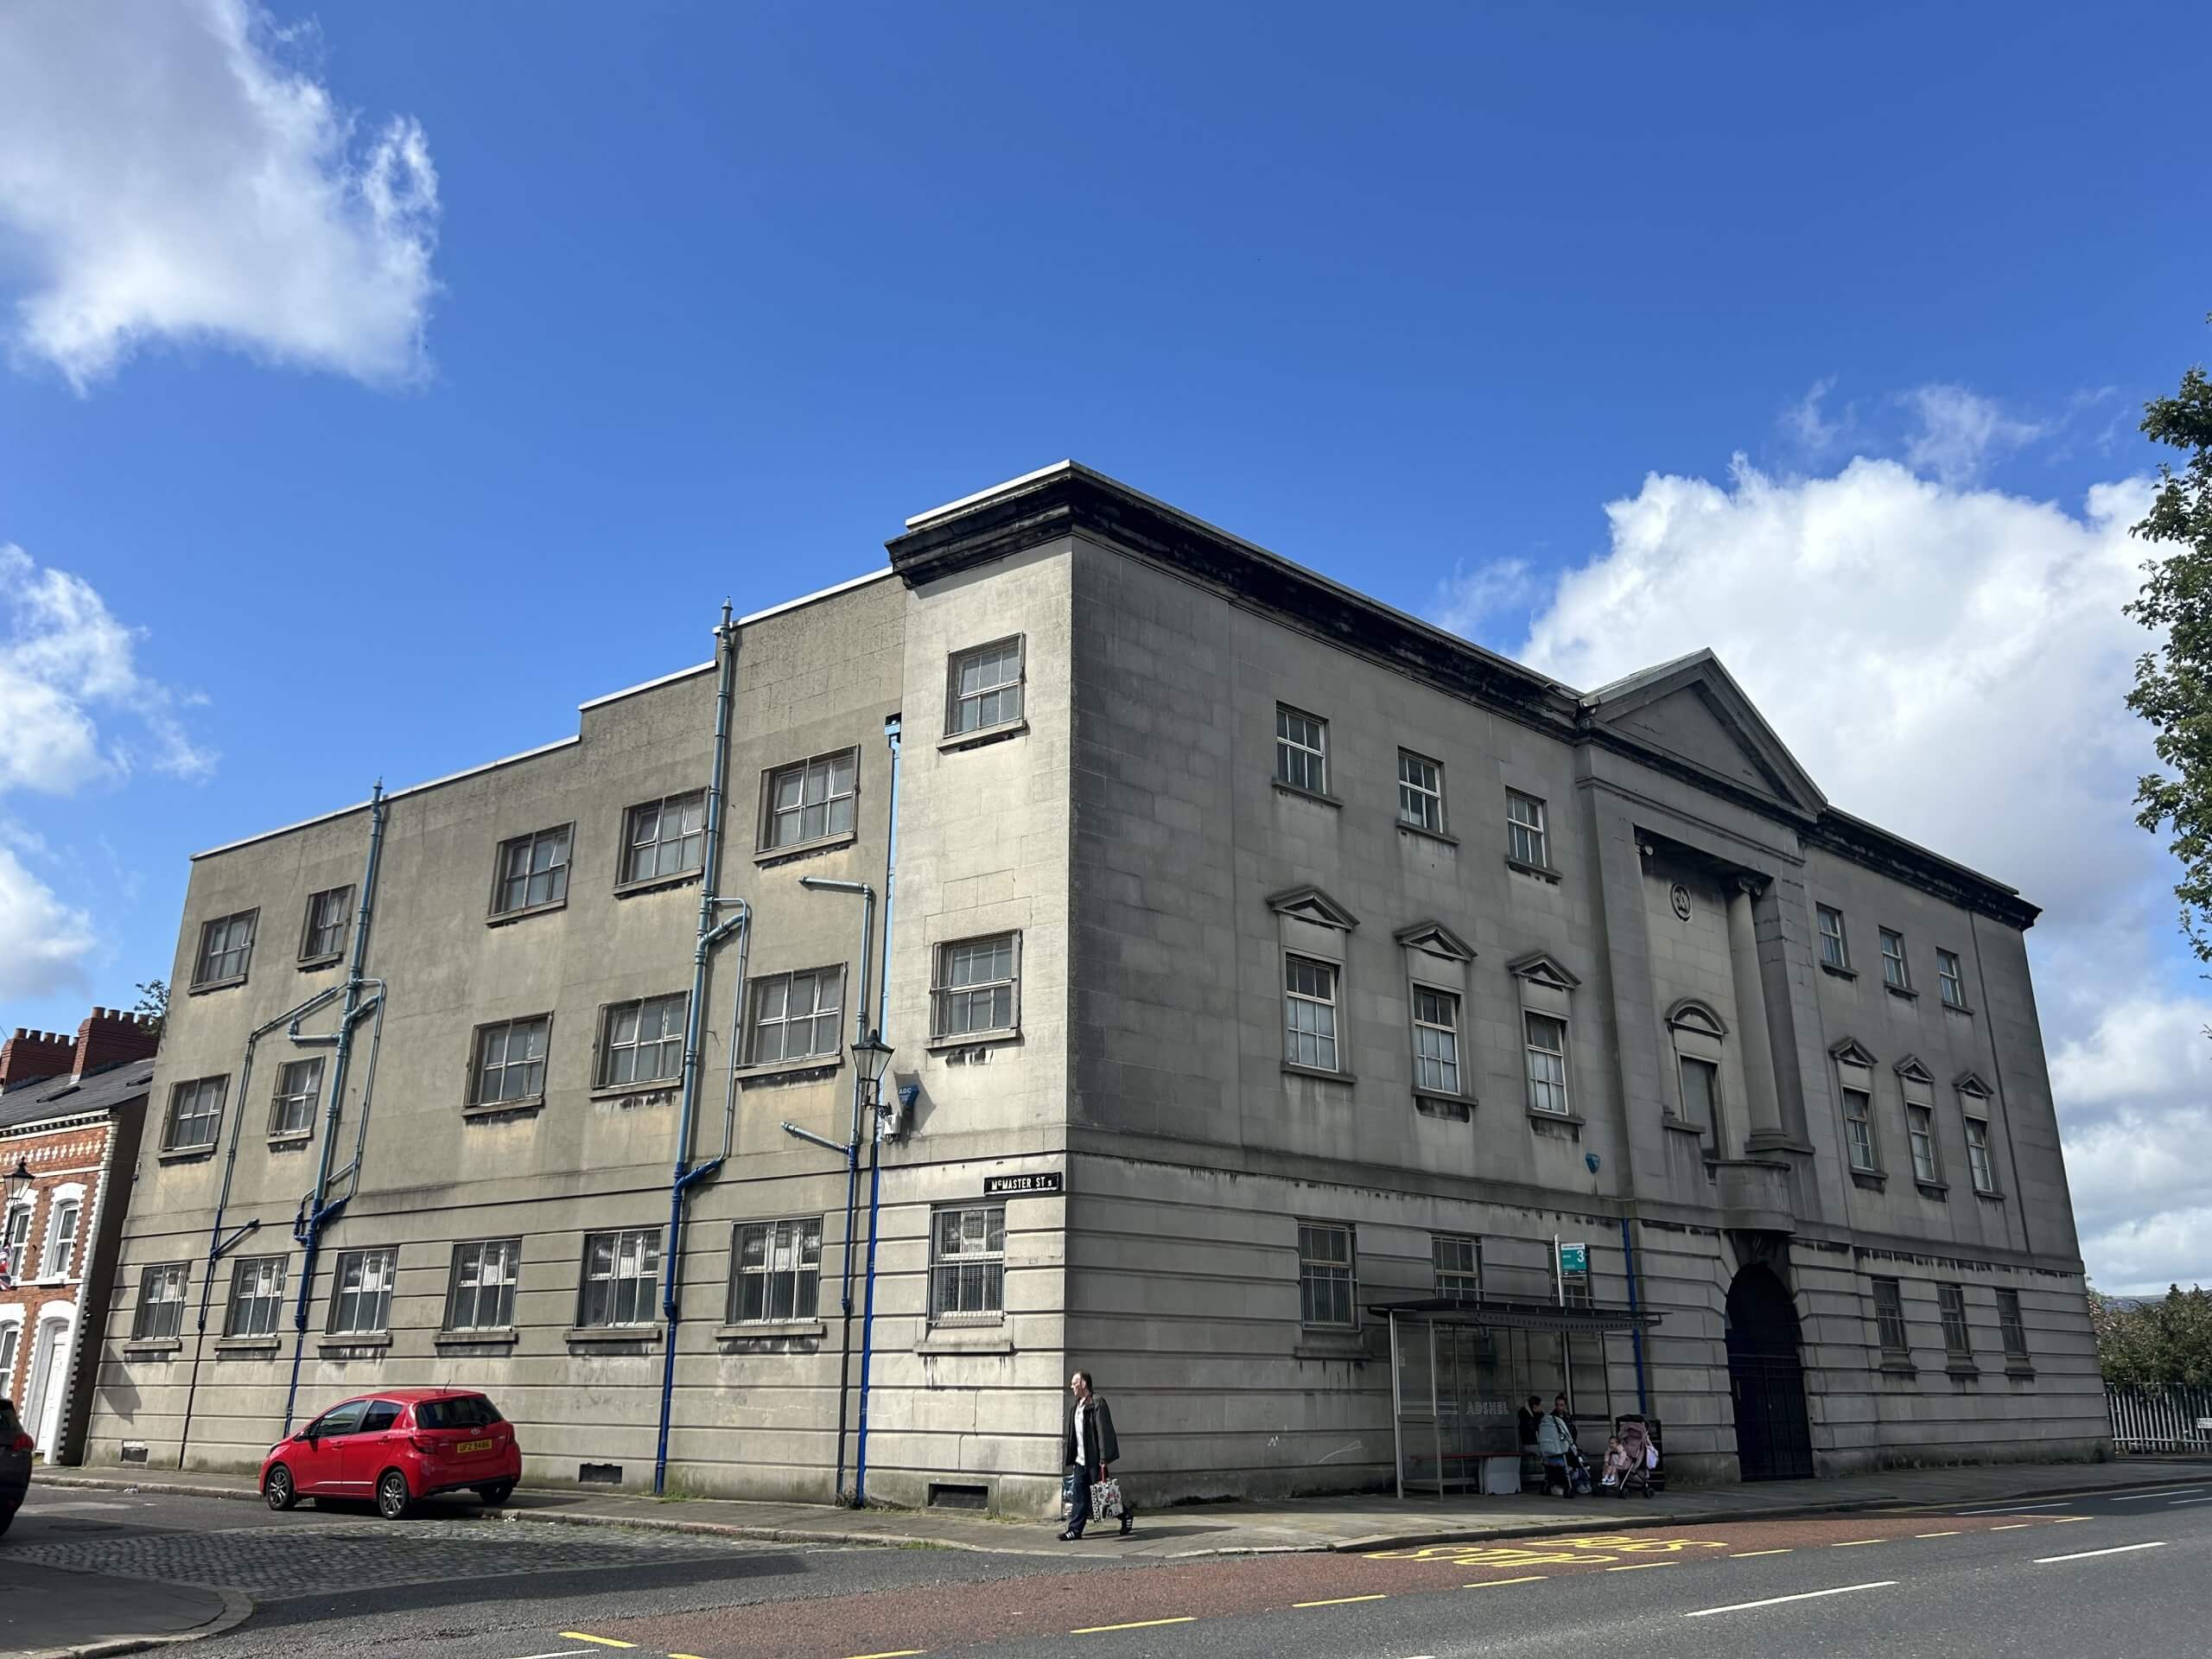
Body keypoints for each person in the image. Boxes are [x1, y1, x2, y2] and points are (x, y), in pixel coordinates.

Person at [1059, 1370, 1134, 1540]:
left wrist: (1103, 1459)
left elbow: (1103, 1431)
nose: (1072, 1387)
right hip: (1080, 1460)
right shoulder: (1075, 1406)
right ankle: (1075, 1530)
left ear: (1083, 1384)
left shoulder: (1097, 1403)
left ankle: (1125, 1515)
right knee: (1079, 1496)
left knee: (1104, 1496)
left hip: (1094, 1459)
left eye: (1074, 1383)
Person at [1535, 1399, 1577, 1497]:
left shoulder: (1566, 1418)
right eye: (1557, 1405)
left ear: (1565, 1406)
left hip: (1559, 1447)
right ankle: (1569, 1482)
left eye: (1562, 1405)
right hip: (1560, 1447)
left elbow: (1573, 1434)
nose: (1559, 1407)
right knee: (1575, 1459)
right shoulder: (1552, 1419)